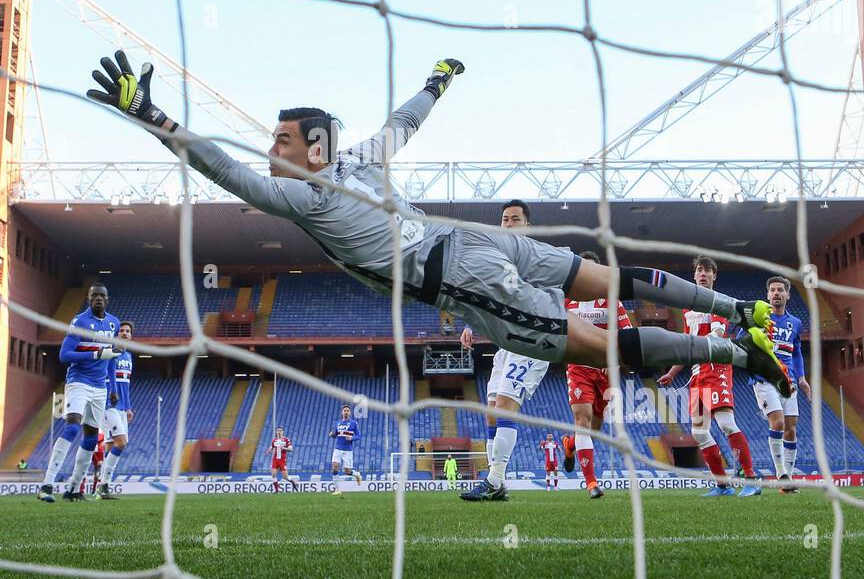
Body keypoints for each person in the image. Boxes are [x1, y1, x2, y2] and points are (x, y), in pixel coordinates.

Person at [84, 52, 788, 389]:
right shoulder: (356, 160)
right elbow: (403, 126)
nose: (270, 153)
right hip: (474, 237)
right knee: (609, 276)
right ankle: (736, 306)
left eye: (282, 141)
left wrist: (153, 117)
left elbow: (221, 170)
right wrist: (437, 83)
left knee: (601, 348)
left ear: (315, 148)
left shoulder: (310, 197)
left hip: (463, 275)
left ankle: (736, 353)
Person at [462, 200, 552, 502]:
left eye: (515, 219)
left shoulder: (539, 258)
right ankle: (496, 482)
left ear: (527, 225)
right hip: (506, 345)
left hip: (531, 341)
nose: (509, 223)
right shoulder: (497, 258)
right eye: (505, 219)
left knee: (503, 408)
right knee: (491, 414)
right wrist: (472, 325)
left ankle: (494, 480)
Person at [658, 257, 761, 498]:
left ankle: (751, 479)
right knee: (700, 432)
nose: (703, 274)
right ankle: (722, 484)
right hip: (696, 374)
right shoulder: (687, 309)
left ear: (714, 277)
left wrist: (710, 341)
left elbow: (717, 333)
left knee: (726, 424)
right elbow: (688, 343)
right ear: (694, 276)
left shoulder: (718, 302)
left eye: (707, 271)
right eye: (699, 270)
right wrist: (673, 371)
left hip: (716, 368)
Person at [38, 284, 121, 502]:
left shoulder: (114, 323)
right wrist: (95, 355)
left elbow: (111, 358)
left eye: (102, 295)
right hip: (78, 382)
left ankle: (73, 488)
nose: (99, 299)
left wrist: (112, 387)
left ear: (108, 298)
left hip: (100, 388)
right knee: (73, 426)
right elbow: (65, 355)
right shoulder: (80, 322)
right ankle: (47, 485)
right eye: (95, 295)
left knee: (92, 438)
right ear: (88, 298)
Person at [564, 250, 632, 500]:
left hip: (606, 371)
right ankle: (592, 483)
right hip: (578, 367)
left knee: (593, 428)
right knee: (582, 420)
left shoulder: (611, 302)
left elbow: (627, 335)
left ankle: (570, 445)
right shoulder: (567, 302)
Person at [758, 276, 810, 494]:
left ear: (788, 295)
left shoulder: (795, 323)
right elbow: (742, 341)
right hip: (764, 378)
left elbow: (796, 352)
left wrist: (802, 378)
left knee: (791, 429)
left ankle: (788, 480)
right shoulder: (759, 319)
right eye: (772, 290)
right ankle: (781, 473)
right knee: (777, 423)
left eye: (780, 290)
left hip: (789, 381)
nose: (776, 293)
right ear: (768, 295)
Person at [97, 320, 136, 499]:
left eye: (127, 331)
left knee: (111, 445)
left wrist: (128, 407)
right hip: (108, 404)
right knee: (122, 442)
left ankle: (103, 488)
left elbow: (125, 385)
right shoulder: (110, 353)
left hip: (121, 408)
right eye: (121, 331)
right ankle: (102, 486)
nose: (125, 333)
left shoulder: (128, 357)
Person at [328, 405, 362, 489]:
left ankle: (357, 475)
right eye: (345, 410)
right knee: (335, 467)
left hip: (348, 450)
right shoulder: (338, 423)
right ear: (342, 412)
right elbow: (335, 434)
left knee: (347, 471)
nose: (346, 412)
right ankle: (337, 489)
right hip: (338, 448)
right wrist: (332, 434)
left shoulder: (354, 423)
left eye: (347, 411)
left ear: (350, 413)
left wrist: (352, 438)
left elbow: (359, 436)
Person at [268, 427, 293, 492]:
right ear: (276, 432)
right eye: (278, 431)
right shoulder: (274, 440)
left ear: (282, 432)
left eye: (280, 431)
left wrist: (284, 448)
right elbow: (272, 446)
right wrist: (269, 449)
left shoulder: (286, 440)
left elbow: (291, 449)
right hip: (275, 459)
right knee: (273, 475)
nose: (279, 432)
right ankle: (277, 491)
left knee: (285, 477)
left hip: (282, 460)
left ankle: (293, 482)